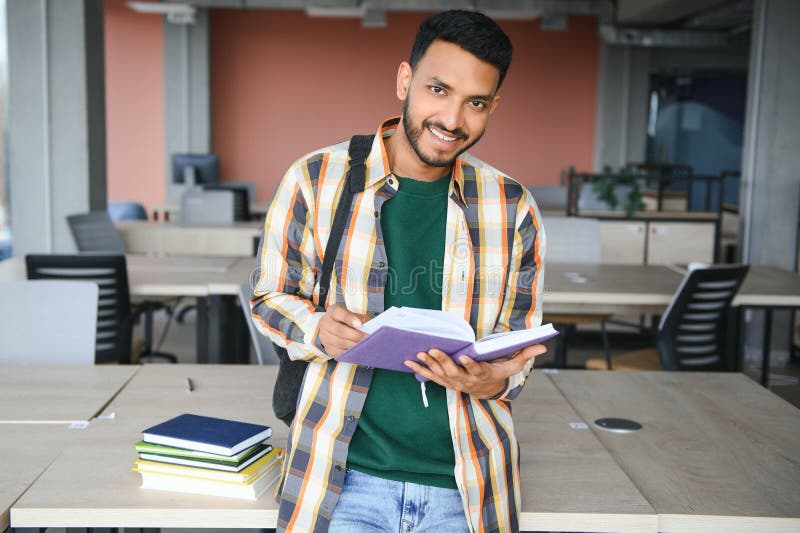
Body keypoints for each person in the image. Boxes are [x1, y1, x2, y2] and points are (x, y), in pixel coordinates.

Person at [251, 9, 546, 533]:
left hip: (468, 486)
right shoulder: (315, 180)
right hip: (339, 482)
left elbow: (517, 346)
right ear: (405, 80)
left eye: (475, 102)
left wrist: (493, 380)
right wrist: (318, 329)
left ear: (493, 106)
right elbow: (268, 297)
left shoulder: (513, 206)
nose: (452, 119)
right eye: (438, 90)